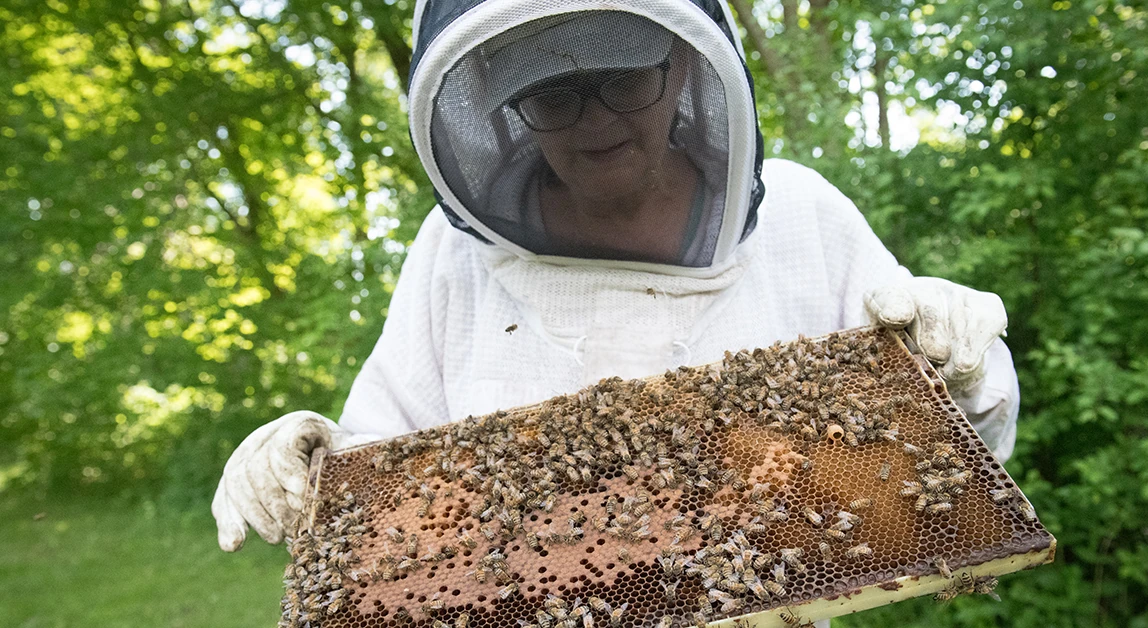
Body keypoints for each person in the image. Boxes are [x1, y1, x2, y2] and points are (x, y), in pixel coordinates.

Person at [213, 0, 1017, 599]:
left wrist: (965, 368)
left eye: (625, 78)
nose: (594, 122)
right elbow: (388, 473)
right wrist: (314, 460)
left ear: (682, 63)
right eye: (552, 96)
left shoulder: (805, 221)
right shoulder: (452, 256)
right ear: (505, 107)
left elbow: (935, 443)